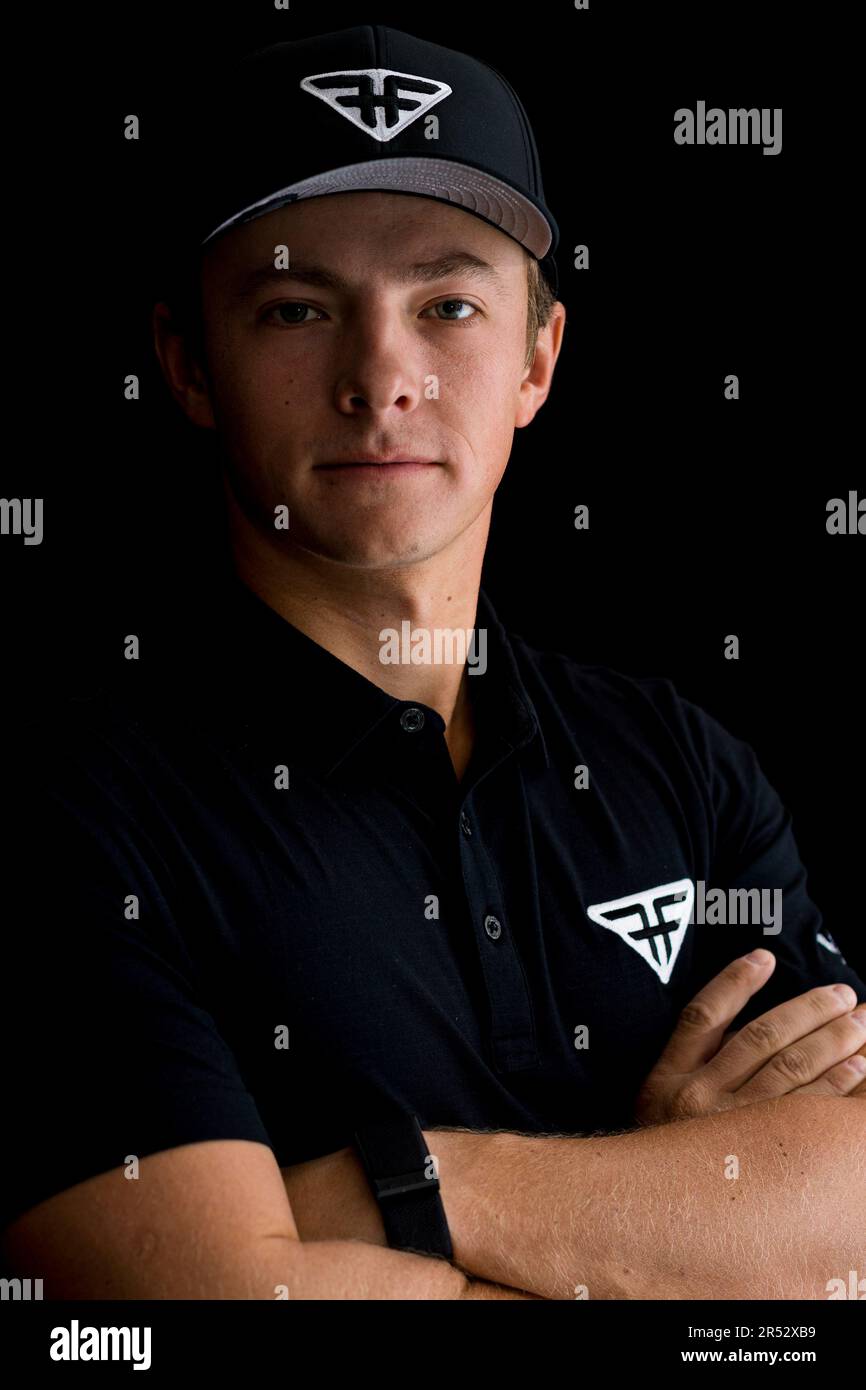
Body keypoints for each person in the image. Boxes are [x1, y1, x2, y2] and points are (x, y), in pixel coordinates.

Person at [2, 25, 864, 1301]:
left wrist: (400, 1187)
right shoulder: (65, 816)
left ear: (535, 358)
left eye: (446, 303)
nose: (379, 378)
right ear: (187, 364)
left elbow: (850, 1200)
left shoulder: (678, 766)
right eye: (297, 308)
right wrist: (673, 1212)